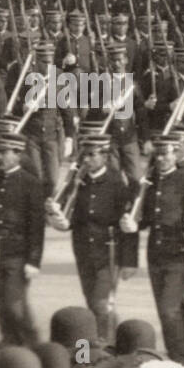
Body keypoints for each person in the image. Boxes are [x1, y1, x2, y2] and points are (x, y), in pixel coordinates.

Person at [120, 131, 184, 363]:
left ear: (176, 154)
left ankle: (183, 359)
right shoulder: (147, 184)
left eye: (167, 154)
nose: (162, 159)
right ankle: (179, 357)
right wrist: (132, 223)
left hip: (180, 252)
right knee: (168, 311)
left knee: (171, 310)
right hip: (156, 253)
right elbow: (145, 218)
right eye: (159, 155)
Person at [48, 134, 136, 344]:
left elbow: (127, 225)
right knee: (92, 303)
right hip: (83, 251)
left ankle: (103, 346)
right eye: (84, 155)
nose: (87, 160)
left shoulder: (117, 183)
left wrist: (129, 262)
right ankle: (106, 342)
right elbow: (70, 215)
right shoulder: (78, 181)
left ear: (105, 156)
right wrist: (58, 219)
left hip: (108, 252)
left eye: (92, 155)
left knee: (101, 304)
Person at [0, 120, 45, 348]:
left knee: (14, 303)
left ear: (17, 154)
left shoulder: (30, 184)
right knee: (1, 299)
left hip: (18, 253)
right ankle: (9, 340)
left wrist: (34, 260)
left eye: (3, 152)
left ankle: (30, 343)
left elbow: (36, 226)